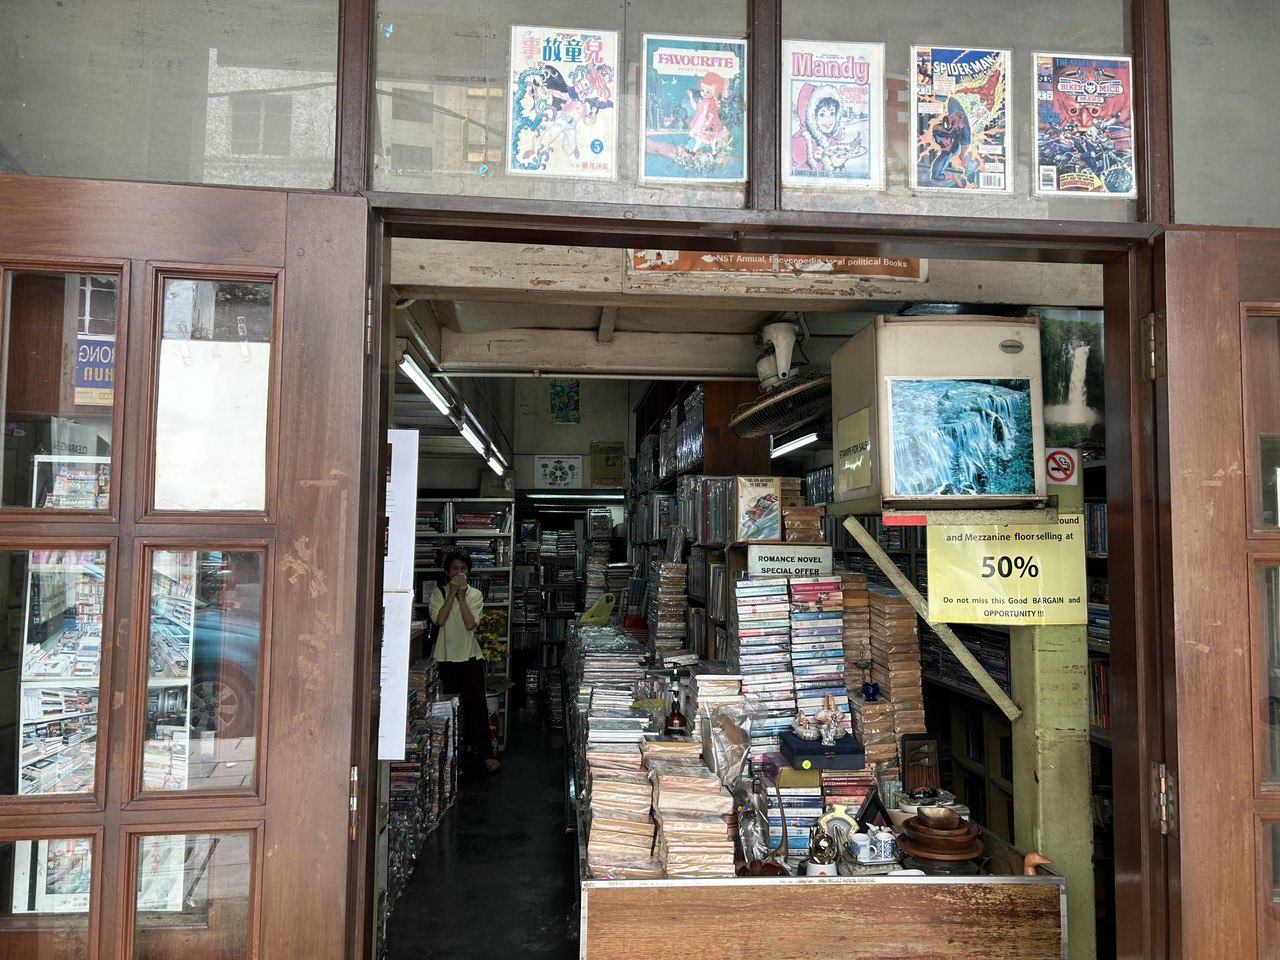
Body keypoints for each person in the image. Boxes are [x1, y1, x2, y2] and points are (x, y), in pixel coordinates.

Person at [429, 551, 500, 773]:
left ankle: (487, 755)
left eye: (462, 569)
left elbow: (470, 624)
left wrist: (461, 597)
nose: (458, 573)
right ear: (447, 572)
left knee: (477, 707)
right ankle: (448, 759)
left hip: (470, 657)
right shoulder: (438, 593)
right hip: (444, 658)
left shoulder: (475, 594)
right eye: (454, 568)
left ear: (468, 572)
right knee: (446, 709)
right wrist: (451, 594)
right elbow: (440, 620)